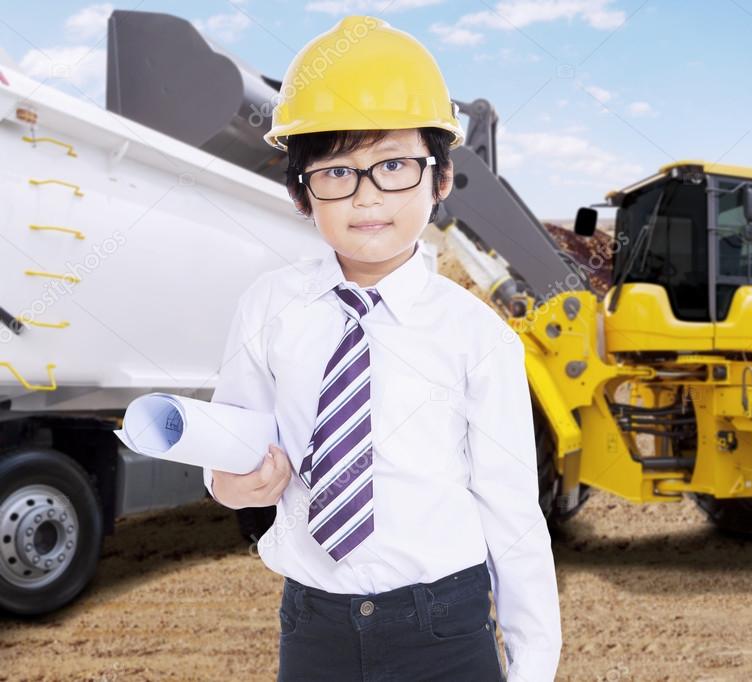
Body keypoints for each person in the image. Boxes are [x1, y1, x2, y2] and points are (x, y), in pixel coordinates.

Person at [201, 14, 562, 682]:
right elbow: (232, 442)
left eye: (393, 165)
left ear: (441, 178)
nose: (366, 197)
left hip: (444, 630)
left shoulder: (477, 336)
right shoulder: (269, 308)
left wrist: (532, 665)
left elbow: (511, 512)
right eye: (337, 171)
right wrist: (227, 483)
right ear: (302, 190)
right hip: (314, 627)